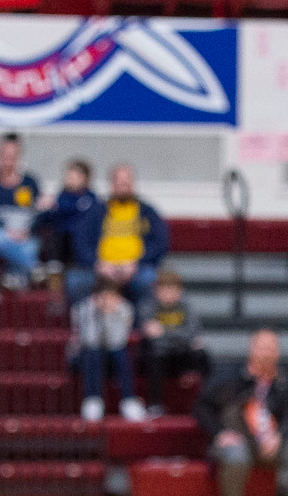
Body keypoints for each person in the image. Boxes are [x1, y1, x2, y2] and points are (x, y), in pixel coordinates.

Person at [196, 328, 288, 496]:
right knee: (236, 455)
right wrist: (220, 433)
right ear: (252, 349)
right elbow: (201, 407)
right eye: (262, 347)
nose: (266, 353)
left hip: (271, 443)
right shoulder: (229, 378)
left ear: (278, 353)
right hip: (238, 441)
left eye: (271, 348)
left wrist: (279, 437)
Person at [69, 163, 168, 304]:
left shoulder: (147, 212)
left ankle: (145, 324)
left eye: (126, 182)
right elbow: (81, 242)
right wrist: (97, 264)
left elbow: (160, 243)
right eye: (119, 182)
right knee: (75, 281)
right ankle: (86, 323)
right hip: (101, 268)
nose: (123, 186)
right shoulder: (96, 211)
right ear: (112, 184)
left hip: (137, 268)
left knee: (148, 280)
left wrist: (137, 264)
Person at [69, 276, 143, 423]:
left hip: (113, 356)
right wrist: (97, 314)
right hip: (85, 357)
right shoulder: (83, 309)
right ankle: (93, 399)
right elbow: (88, 340)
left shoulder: (125, 309)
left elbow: (119, 341)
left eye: (112, 296)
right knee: (93, 352)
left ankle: (128, 400)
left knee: (121, 353)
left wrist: (111, 316)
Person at [0, 132, 41, 289]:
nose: (8, 160)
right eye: (4, 155)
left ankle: (15, 282)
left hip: (25, 234)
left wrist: (26, 231)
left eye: (12, 156)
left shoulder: (30, 182)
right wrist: (7, 230)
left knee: (30, 246)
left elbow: (39, 213)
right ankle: (34, 267)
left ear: (19, 157)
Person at [137, 266, 208, 413]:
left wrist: (164, 332)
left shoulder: (187, 307)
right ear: (156, 291)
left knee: (203, 355)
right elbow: (152, 336)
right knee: (153, 354)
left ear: (180, 291)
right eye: (164, 289)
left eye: (172, 289)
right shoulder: (147, 307)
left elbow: (193, 333)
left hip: (179, 354)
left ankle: (204, 402)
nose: (168, 294)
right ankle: (154, 404)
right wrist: (179, 336)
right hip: (157, 356)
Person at [37, 159, 98, 287]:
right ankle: (51, 269)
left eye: (73, 176)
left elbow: (78, 215)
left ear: (84, 178)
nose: (69, 179)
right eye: (68, 176)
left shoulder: (90, 198)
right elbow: (48, 217)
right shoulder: (62, 196)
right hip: (60, 243)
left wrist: (55, 205)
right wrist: (46, 208)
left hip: (80, 245)